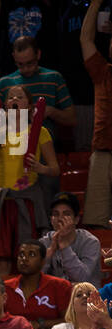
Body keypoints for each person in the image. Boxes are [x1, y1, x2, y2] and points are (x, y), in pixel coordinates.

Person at [81, 0, 112, 230]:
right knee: (96, 223)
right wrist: (95, 2)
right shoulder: (103, 72)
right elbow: (86, 39)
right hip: (103, 152)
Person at [4, 241, 72, 329]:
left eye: (31, 254)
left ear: (43, 261)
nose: (24, 259)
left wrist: (41, 324)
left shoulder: (60, 286)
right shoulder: (5, 287)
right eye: (21, 254)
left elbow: (69, 321)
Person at [41, 194, 102, 290]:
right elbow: (34, 278)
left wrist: (64, 247)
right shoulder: (44, 242)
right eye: (56, 214)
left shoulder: (90, 242)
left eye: (66, 214)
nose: (60, 219)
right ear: (51, 220)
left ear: (76, 220)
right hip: (56, 299)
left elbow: (81, 278)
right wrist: (49, 254)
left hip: (86, 298)